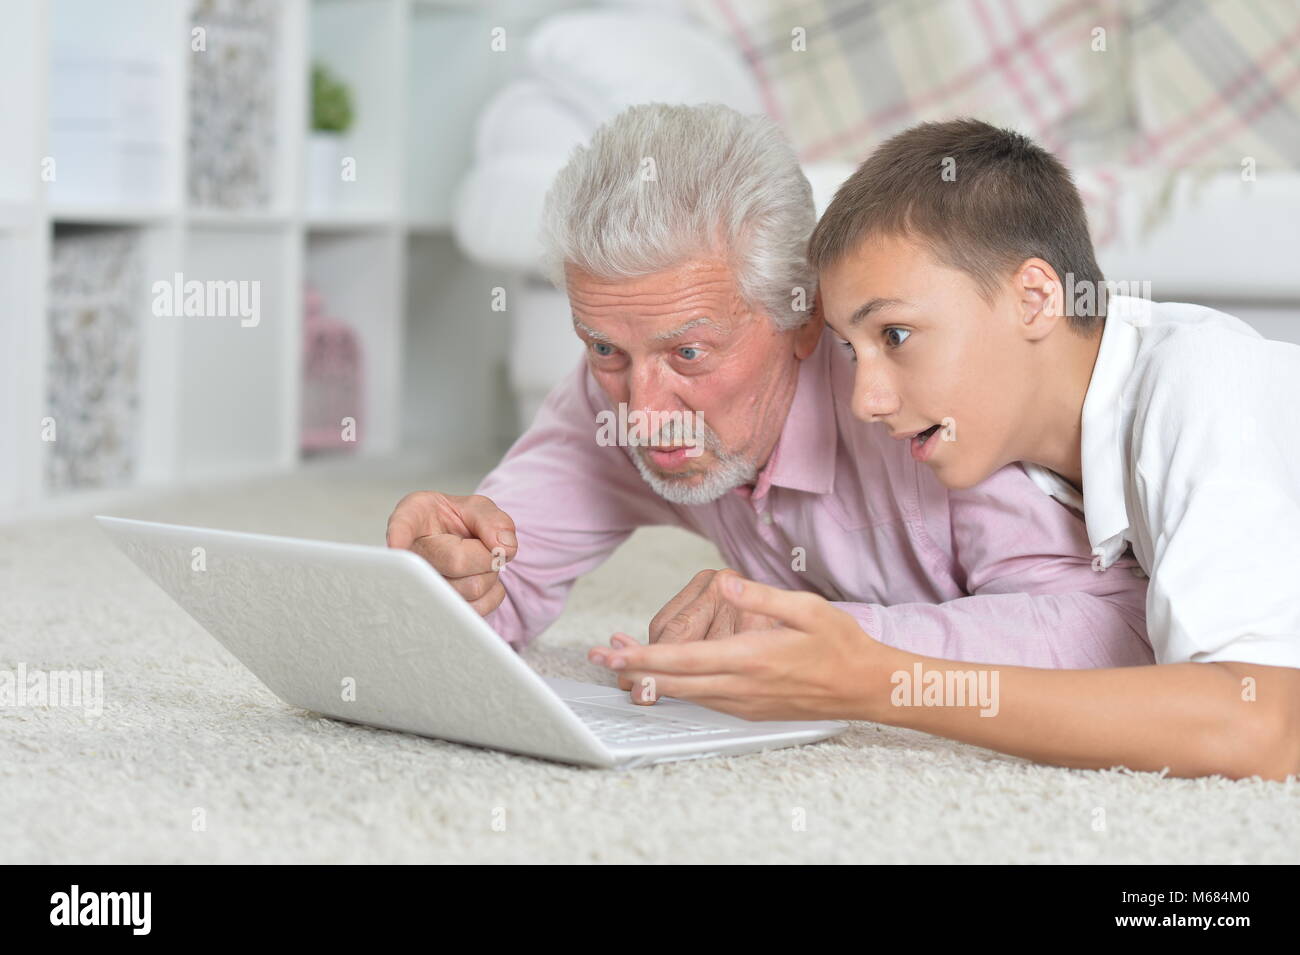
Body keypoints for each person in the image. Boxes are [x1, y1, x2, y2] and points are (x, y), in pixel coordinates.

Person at [590, 118, 1300, 781]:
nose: (865, 399)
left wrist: (882, 679)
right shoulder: (1039, 469)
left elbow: (1261, 724)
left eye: (894, 335)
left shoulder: (1202, 384)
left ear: (1034, 298)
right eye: (850, 349)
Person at [388, 104, 1152, 692]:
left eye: (690, 351)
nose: (643, 409)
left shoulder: (927, 399)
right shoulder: (613, 391)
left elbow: (1104, 630)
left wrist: (821, 637)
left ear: (803, 315)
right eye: (604, 347)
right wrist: (443, 574)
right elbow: (492, 595)